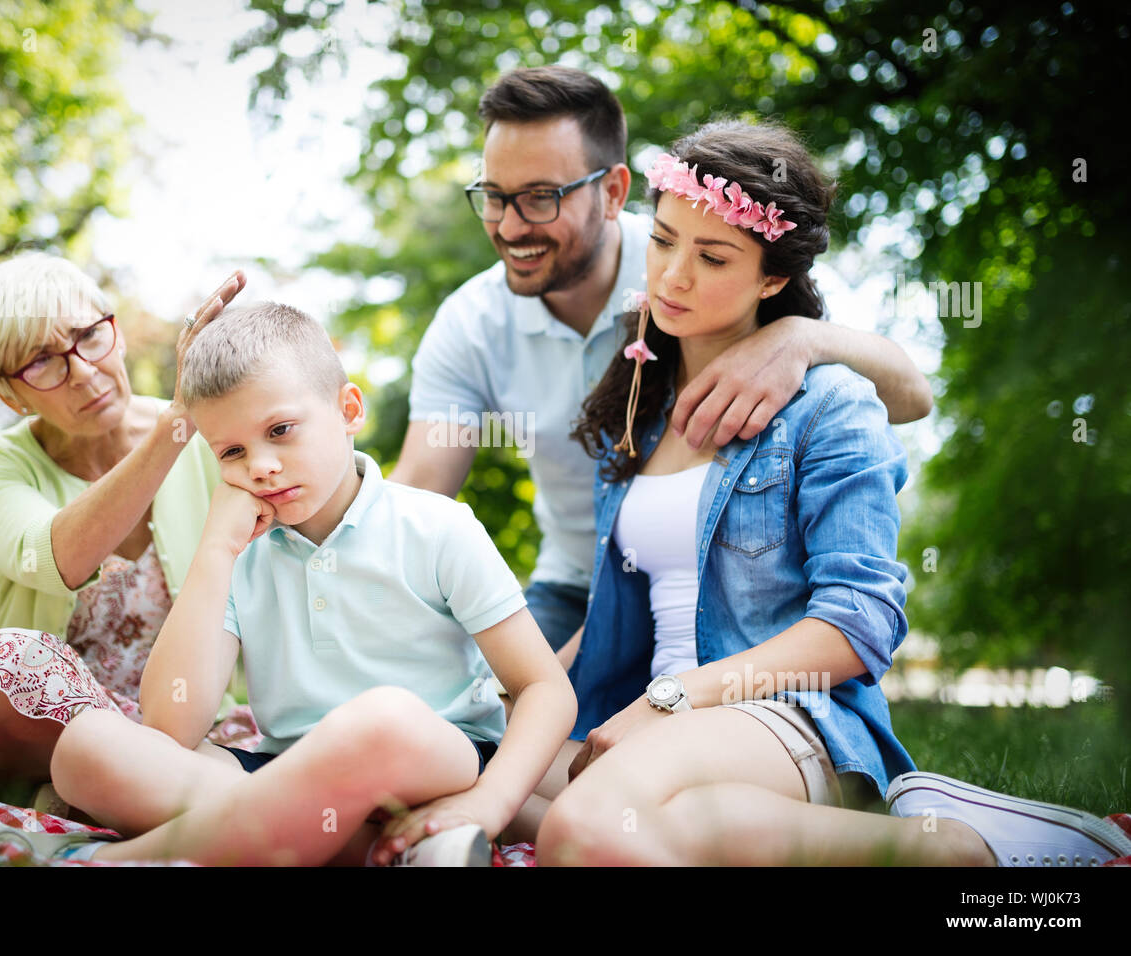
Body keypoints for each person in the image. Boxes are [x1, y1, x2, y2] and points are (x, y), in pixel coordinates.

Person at [527, 120, 1131, 867]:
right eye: (662, 240)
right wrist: (530, 693)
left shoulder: (830, 404)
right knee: (475, 775)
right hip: (651, 721)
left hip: (782, 718)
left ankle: (938, 843)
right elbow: (625, 605)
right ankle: (938, 851)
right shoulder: (637, 409)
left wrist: (671, 699)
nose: (673, 275)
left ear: (773, 278)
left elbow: (859, 621)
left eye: (713, 255)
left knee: (583, 830)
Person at [392, 66, 934, 654]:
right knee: (469, 717)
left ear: (613, 192)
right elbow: (420, 491)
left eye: (541, 198)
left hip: (732, 588)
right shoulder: (472, 322)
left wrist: (800, 339)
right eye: (494, 198)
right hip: (585, 583)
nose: (511, 224)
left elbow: (907, 396)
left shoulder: (699, 252)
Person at [32, 303, 576, 866]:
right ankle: (385, 848)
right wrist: (216, 552)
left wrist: (491, 802)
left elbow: (544, 688)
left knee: (380, 718)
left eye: (280, 431)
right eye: (233, 452)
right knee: (86, 746)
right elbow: (172, 723)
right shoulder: (239, 553)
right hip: (284, 771)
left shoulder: (436, 526)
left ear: (348, 410)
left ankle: (128, 860)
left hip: (431, 759)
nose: (261, 465)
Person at [0, 253, 259, 799]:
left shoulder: (209, 433)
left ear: (117, 331)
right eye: (41, 361)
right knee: (4, 661)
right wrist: (177, 423)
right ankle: (144, 784)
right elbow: (54, 557)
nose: (84, 372)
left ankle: (132, 790)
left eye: (90, 335)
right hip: (53, 731)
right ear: (7, 395)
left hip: (185, 726)